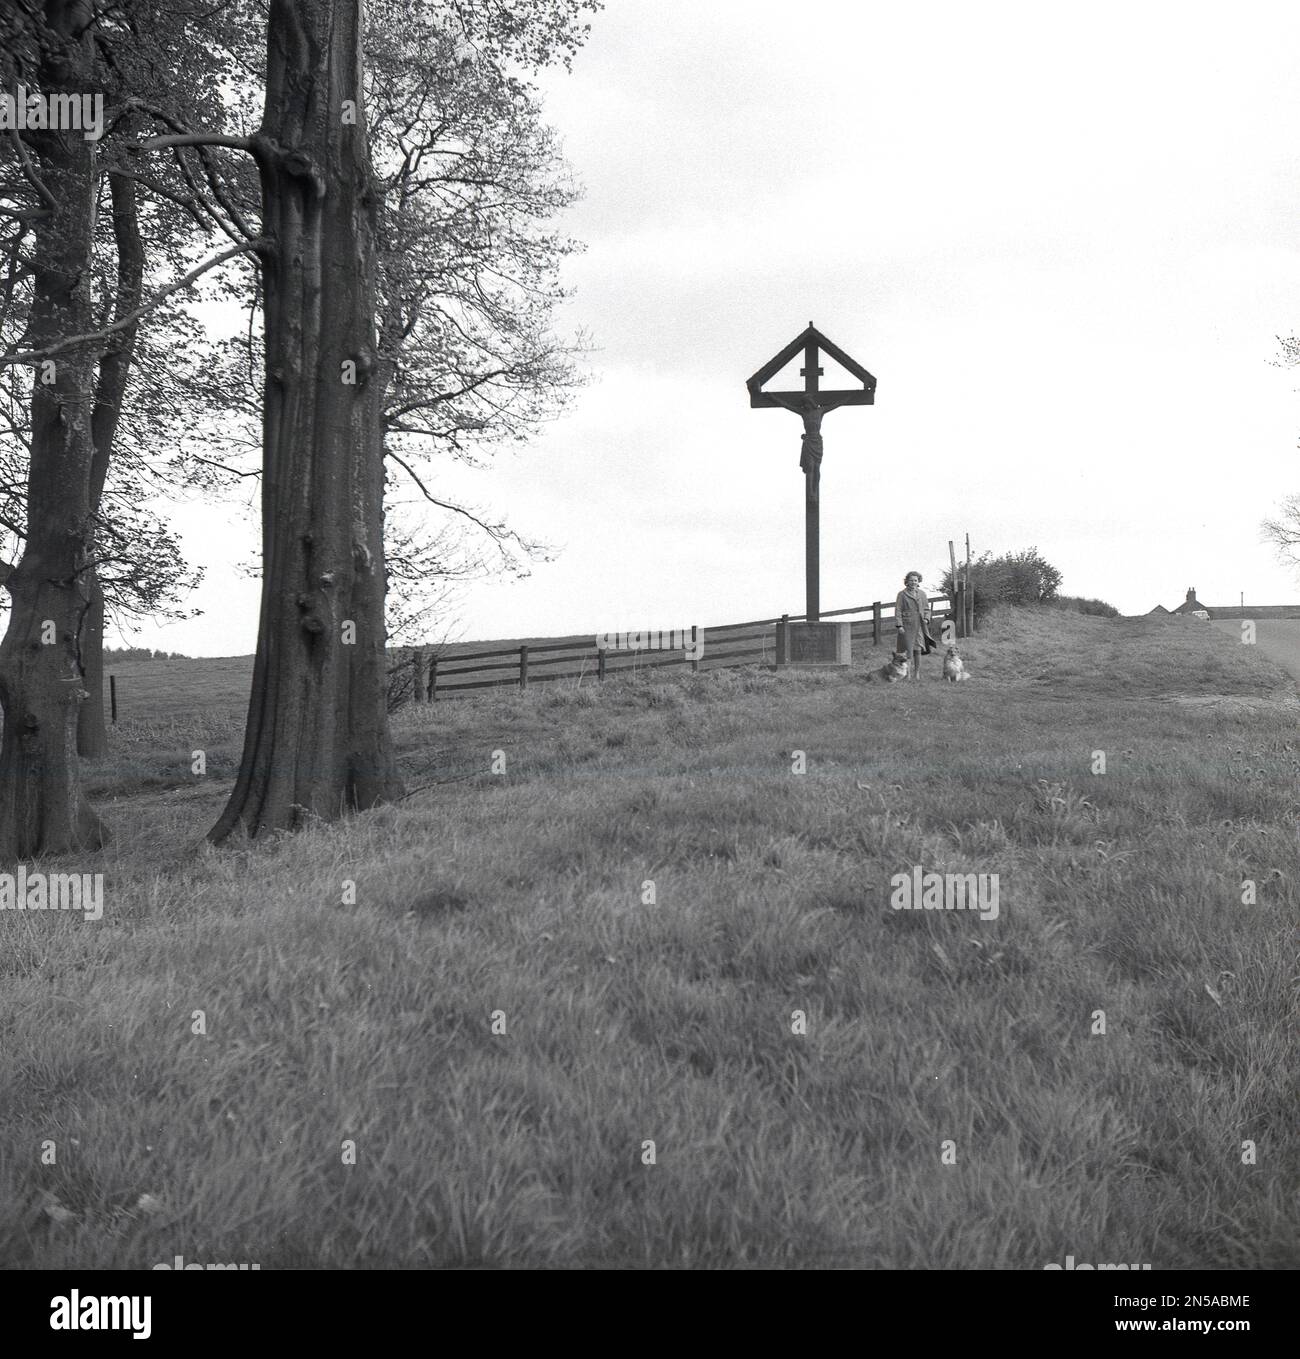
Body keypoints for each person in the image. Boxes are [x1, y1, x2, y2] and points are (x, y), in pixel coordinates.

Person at [895, 570, 936, 683]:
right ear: (907, 582)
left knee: (918, 650)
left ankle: (917, 673)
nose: (913, 582)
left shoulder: (922, 594)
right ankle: (906, 674)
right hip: (907, 626)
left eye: (915, 580)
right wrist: (899, 625)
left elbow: (927, 609)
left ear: (918, 582)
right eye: (911, 580)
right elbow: (898, 610)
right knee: (908, 651)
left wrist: (927, 618)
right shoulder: (902, 594)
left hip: (919, 626)